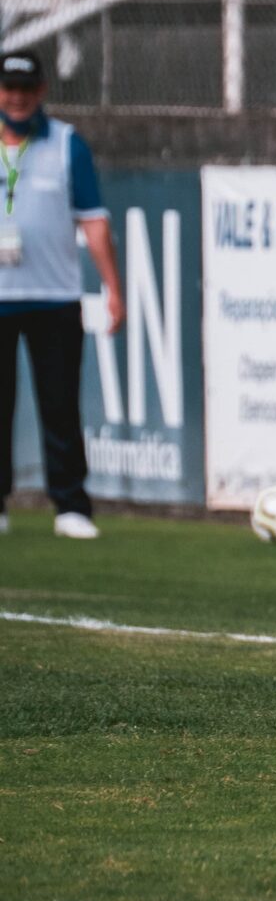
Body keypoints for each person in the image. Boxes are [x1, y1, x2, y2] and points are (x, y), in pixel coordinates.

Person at [0, 50, 123, 541]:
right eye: (9, 88)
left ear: (42, 91)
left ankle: (71, 504)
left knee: (60, 403)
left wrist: (113, 287)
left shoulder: (67, 144)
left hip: (54, 296)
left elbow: (93, 220)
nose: (17, 98)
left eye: (26, 89)